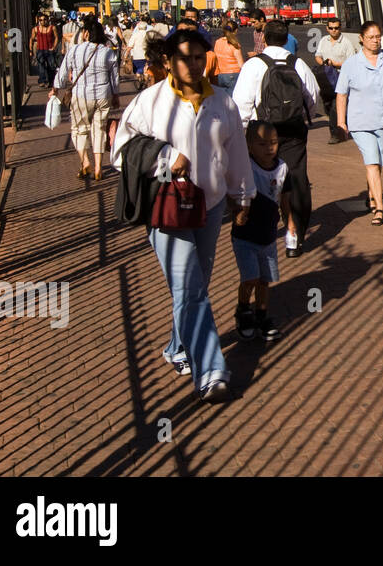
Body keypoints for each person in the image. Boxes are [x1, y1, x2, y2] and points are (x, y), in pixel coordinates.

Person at [110, 28, 254, 403]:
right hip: (168, 209)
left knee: (193, 288)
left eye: (197, 57)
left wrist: (244, 196)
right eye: (183, 57)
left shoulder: (224, 102)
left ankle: (177, 346)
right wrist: (164, 159)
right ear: (168, 61)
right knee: (190, 287)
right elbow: (120, 150)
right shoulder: (150, 101)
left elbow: (236, 153)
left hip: (210, 206)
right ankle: (211, 371)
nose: (192, 64)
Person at [232, 20, 320, 258]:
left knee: (261, 179)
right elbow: (313, 96)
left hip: (262, 132)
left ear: (264, 38)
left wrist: (244, 132)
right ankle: (296, 237)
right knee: (297, 179)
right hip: (293, 130)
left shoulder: (254, 65)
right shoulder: (298, 63)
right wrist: (304, 117)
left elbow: (241, 104)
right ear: (287, 38)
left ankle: (263, 231)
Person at [336, 21, 383, 226]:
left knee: (379, 162)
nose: (375, 41)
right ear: (361, 38)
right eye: (371, 37)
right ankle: (379, 208)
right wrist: (341, 122)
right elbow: (342, 95)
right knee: (372, 161)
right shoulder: (351, 64)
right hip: (360, 122)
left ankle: (372, 194)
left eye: (378, 36)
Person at [231, 120, 288, 342]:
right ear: (249, 145)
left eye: (273, 143)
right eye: (262, 144)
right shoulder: (245, 167)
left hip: (269, 235)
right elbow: (230, 191)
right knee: (250, 278)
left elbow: (285, 196)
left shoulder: (282, 167)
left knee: (265, 280)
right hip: (245, 236)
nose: (269, 148)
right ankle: (243, 310)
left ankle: (262, 314)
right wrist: (236, 210)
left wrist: (290, 222)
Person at [51, 16, 120, 180]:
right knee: (99, 129)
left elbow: (62, 73)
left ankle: (85, 161)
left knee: (79, 130)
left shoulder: (75, 50)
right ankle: (98, 167)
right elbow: (115, 77)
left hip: (81, 95)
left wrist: (55, 89)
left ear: (86, 33)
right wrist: (115, 94)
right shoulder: (108, 52)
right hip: (103, 95)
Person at [314, 17, 356, 143]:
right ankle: (342, 125)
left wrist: (335, 64)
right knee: (327, 104)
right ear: (327, 28)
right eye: (331, 28)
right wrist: (324, 64)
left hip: (340, 77)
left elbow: (351, 62)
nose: (334, 31)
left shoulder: (346, 43)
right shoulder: (323, 40)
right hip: (326, 78)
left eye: (336, 28)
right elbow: (317, 55)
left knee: (334, 105)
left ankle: (335, 134)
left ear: (340, 28)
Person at [212, 22, 245, 90]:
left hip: (220, 74)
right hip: (233, 74)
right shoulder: (235, 44)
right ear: (236, 31)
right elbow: (241, 64)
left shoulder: (217, 42)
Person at [29, 13, 59, 87]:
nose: (43, 21)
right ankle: (42, 81)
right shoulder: (35, 29)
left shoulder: (52, 28)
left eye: (44, 19)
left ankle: (51, 81)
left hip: (49, 50)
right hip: (40, 50)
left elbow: (56, 37)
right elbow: (31, 39)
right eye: (41, 20)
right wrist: (31, 50)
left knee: (51, 66)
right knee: (41, 66)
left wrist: (54, 47)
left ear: (47, 20)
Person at [126, 17, 151, 85]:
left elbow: (130, 46)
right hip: (147, 55)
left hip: (137, 56)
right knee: (146, 70)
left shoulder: (135, 34)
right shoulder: (149, 34)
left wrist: (126, 55)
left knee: (137, 71)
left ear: (138, 27)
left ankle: (140, 80)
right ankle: (146, 82)